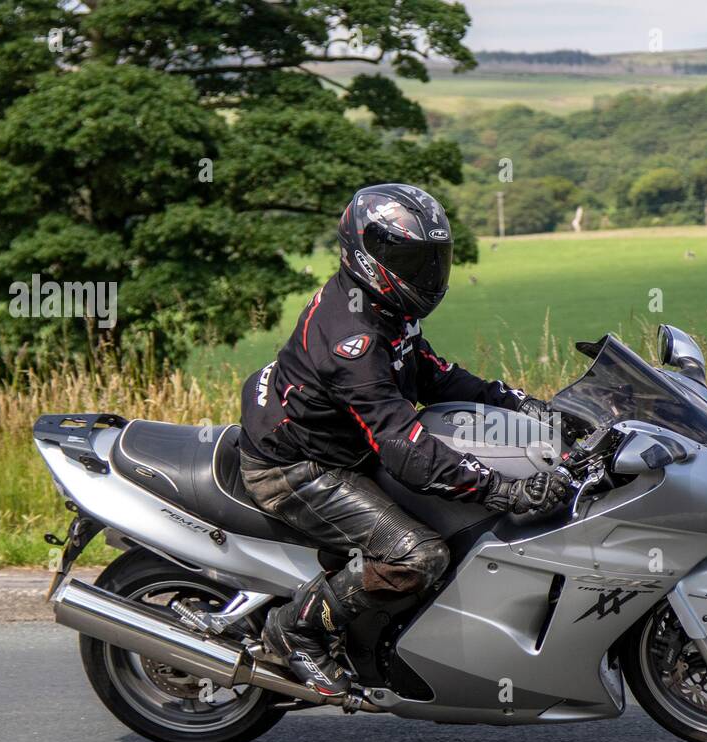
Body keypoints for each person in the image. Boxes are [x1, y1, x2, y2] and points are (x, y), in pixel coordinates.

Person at [238, 183, 570, 697]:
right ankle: (295, 630)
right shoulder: (354, 338)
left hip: (334, 442)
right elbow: (404, 445)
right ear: (367, 253)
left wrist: (521, 403)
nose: (425, 274)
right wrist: (504, 489)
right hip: (298, 468)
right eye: (410, 260)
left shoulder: (380, 306)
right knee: (419, 556)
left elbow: (430, 372)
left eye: (431, 260)